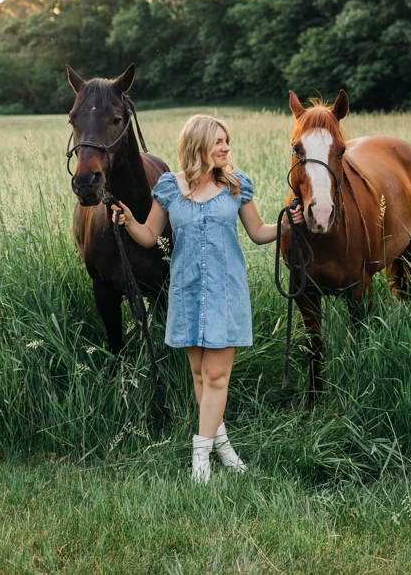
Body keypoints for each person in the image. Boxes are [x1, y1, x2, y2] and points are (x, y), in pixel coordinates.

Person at [112, 114, 303, 483]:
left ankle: (200, 455)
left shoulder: (235, 186)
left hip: (225, 292)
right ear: (198, 144)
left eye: (227, 142)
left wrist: (288, 224)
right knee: (200, 376)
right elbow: (150, 236)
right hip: (186, 291)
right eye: (219, 142)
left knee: (216, 375)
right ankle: (224, 446)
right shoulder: (170, 188)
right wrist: (130, 222)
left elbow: (258, 232)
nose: (226, 148)